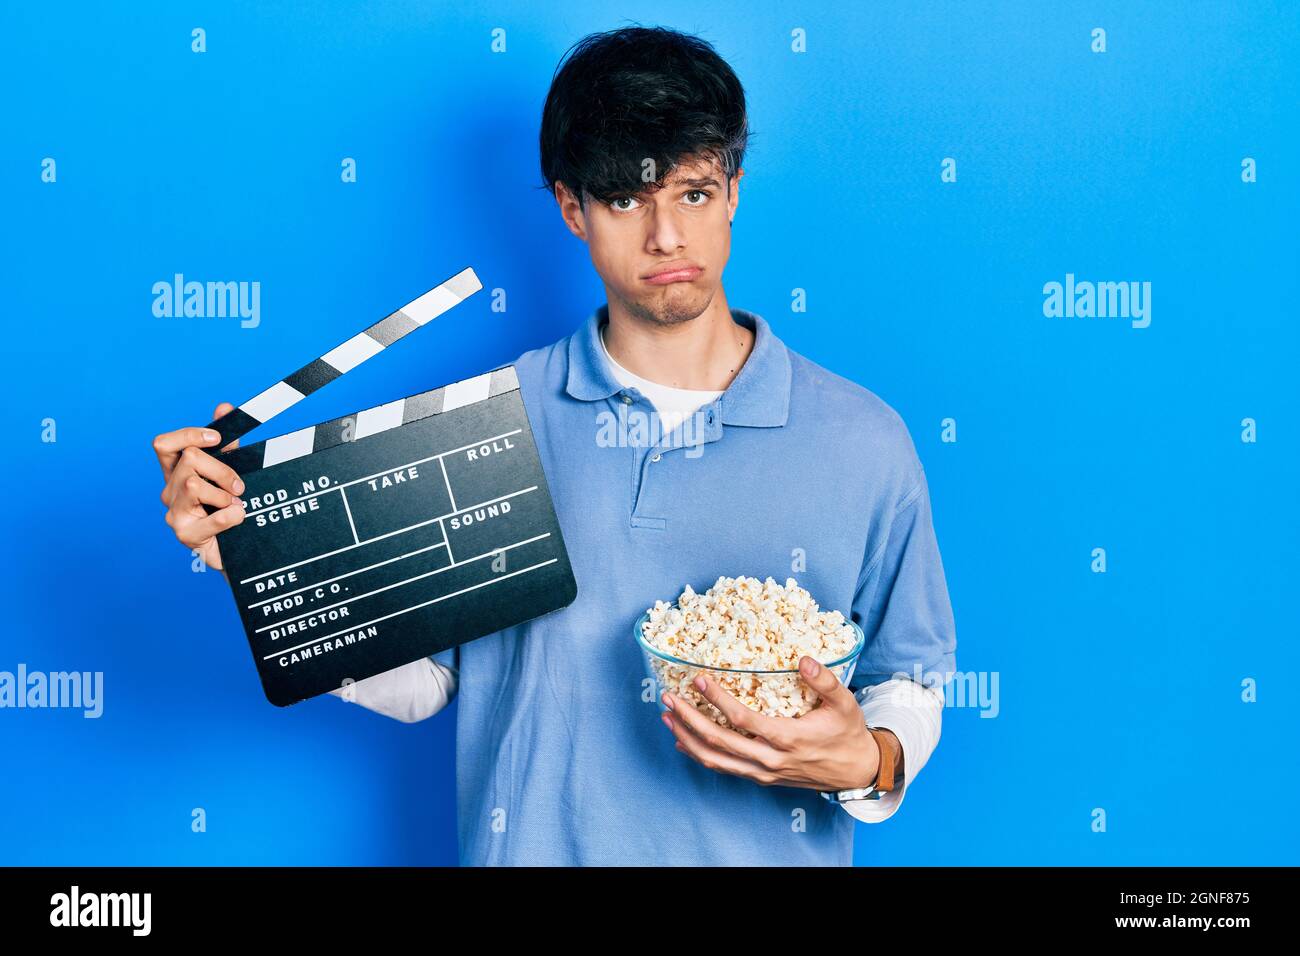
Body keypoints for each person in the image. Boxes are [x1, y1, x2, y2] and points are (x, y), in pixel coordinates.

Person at [152, 25, 957, 866]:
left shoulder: (864, 441)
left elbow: (910, 675)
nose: (666, 238)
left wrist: (873, 763)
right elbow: (429, 684)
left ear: (733, 194)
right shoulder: (482, 426)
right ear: (571, 207)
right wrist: (247, 551)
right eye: (623, 200)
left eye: (692, 193)